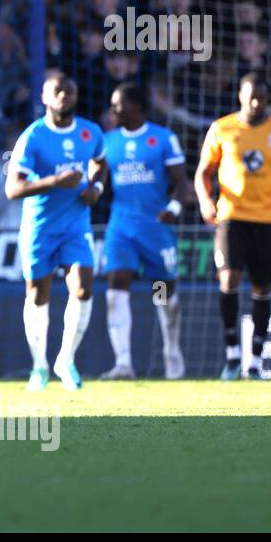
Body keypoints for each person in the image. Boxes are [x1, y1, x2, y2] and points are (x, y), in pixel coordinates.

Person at [194, 73, 271, 380]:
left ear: (268, 100)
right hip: (231, 217)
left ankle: (256, 361)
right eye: (250, 97)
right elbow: (203, 172)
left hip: (269, 220)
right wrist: (206, 201)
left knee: (263, 287)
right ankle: (232, 356)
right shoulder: (222, 128)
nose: (256, 102)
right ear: (240, 97)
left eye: (261, 98)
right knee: (228, 279)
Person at [5, 70, 107, 392]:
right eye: (58, 91)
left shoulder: (91, 133)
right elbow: (12, 188)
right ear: (45, 98)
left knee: (83, 286)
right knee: (38, 294)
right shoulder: (33, 137)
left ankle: (66, 359)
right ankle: (39, 367)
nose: (65, 96)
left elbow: (100, 163)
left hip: (75, 225)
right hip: (39, 227)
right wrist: (53, 182)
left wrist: (97, 187)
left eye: (70, 91)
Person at [101, 83, 190, 380]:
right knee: (116, 285)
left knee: (162, 291)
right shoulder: (108, 141)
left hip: (155, 228)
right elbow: (98, 181)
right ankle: (123, 363)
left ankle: (171, 351)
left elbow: (181, 183)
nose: (114, 110)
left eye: (119, 104)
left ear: (137, 106)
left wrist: (173, 210)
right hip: (121, 226)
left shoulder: (163, 139)